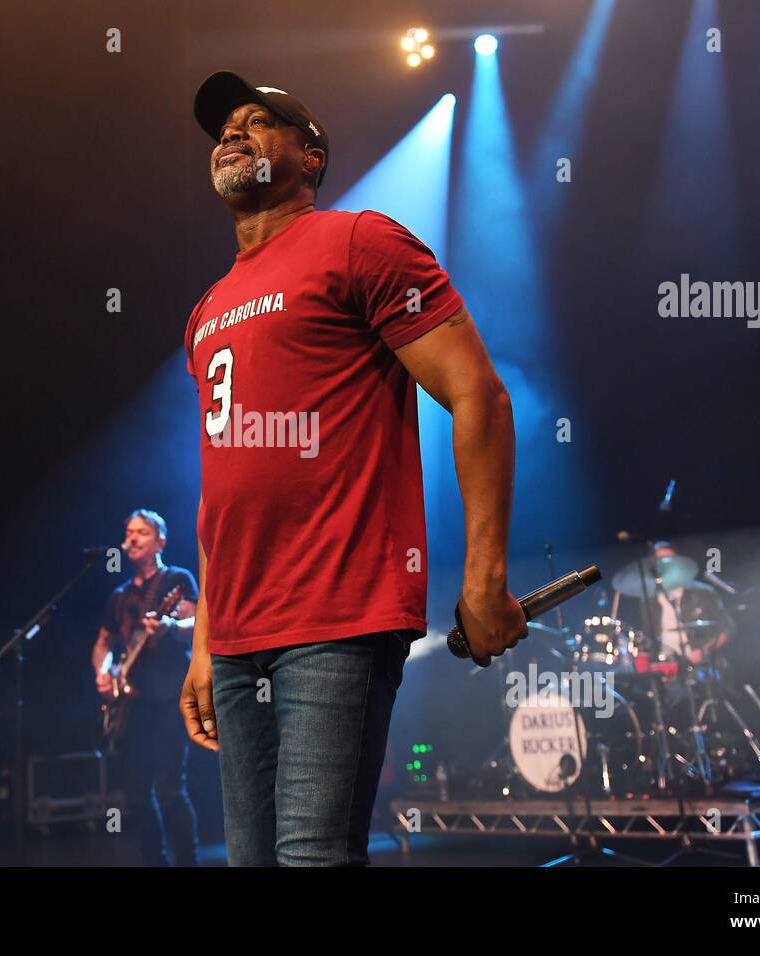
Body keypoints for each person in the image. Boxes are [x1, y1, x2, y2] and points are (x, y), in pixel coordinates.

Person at [179, 72, 526, 866]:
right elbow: (222, 489)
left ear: (311, 155)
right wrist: (204, 642)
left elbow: (479, 395)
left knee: (312, 857)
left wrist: (483, 577)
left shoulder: (359, 241)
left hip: (336, 615)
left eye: (258, 122)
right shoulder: (204, 312)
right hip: (236, 638)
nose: (232, 134)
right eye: (224, 127)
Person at [92, 509, 199, 865]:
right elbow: (103, 644)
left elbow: (197, 625)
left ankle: (187, 861)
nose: (132, 538)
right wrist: (104, 672)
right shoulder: (119, 595)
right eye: (128, 532)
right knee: (136, 795)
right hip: (132, 705)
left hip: (169, 697)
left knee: (169, 790)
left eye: (141, 532)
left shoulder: (176, 580)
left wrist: (170, 626)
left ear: (160, 541)